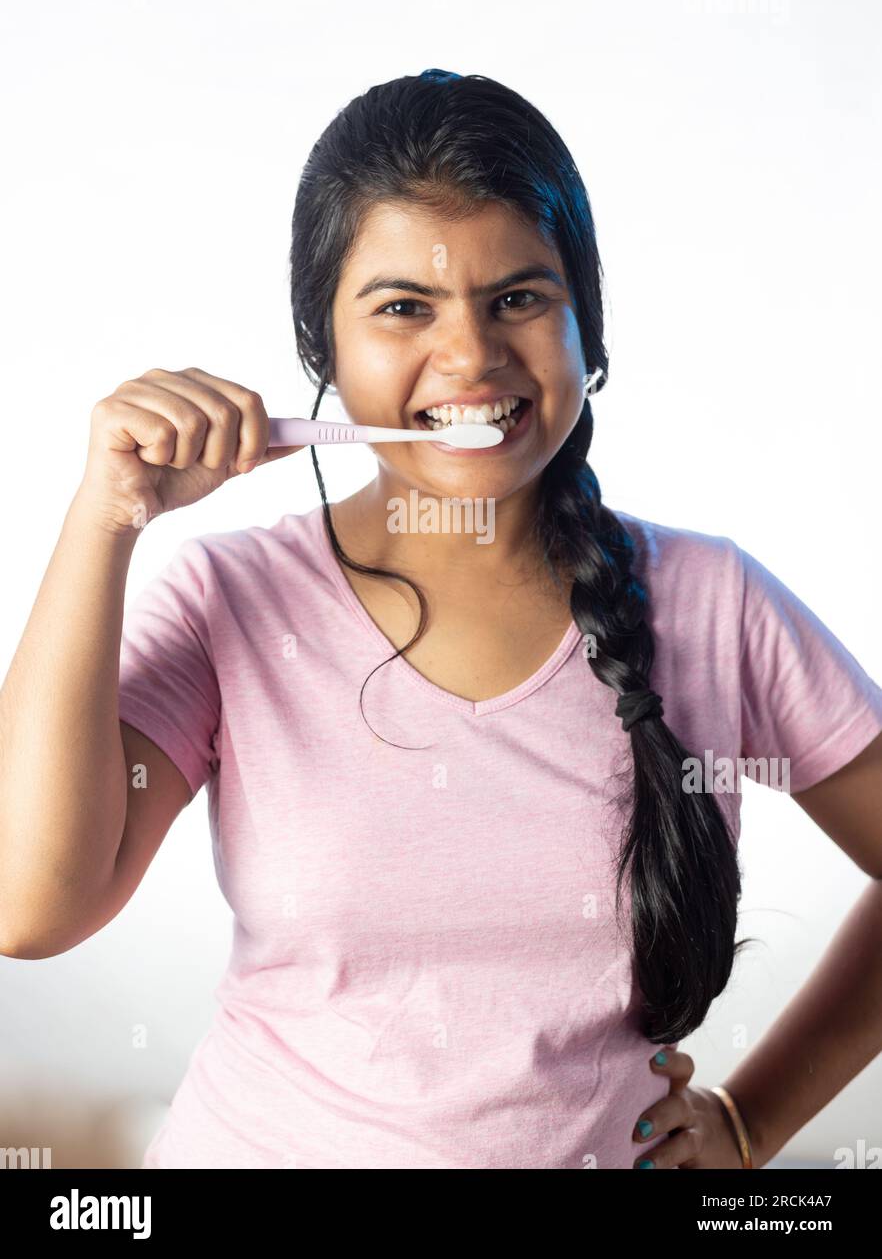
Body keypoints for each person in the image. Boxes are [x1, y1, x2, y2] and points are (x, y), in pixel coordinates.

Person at [2, 69, 881, 1170]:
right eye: (403, 308)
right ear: (322, 350)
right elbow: (27, 904)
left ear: (587, 330)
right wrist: (105, 518)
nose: (469, 357)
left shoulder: (716, 605)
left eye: (519, 296)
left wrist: (753, 1122)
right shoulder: (232, 602)